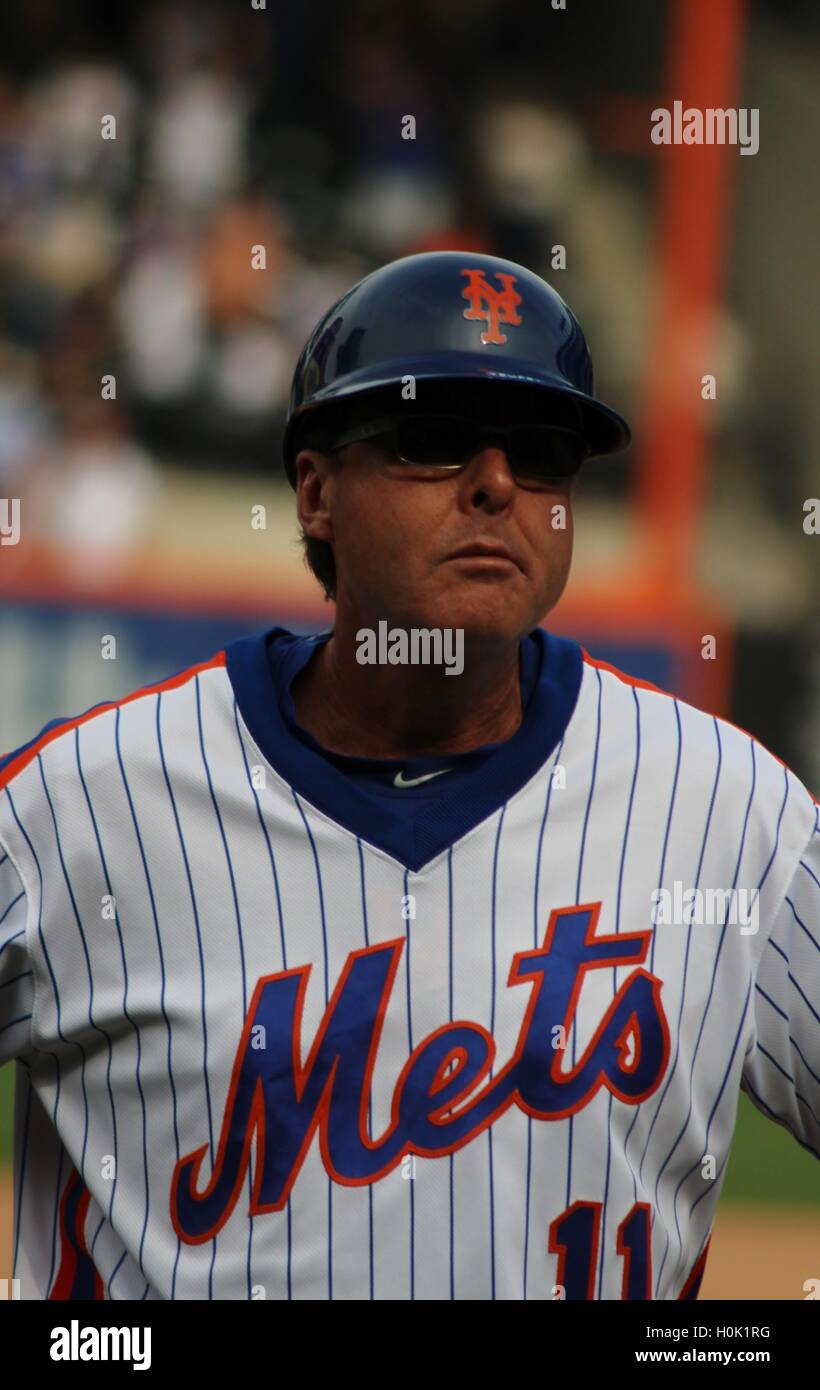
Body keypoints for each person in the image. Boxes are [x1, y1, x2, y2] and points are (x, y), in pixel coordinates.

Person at [0, 251, 817, 1300]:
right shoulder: (81, 803)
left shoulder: (730, 810)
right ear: (315, 491)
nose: (496, 482)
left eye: (542, 451)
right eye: (433, 441)